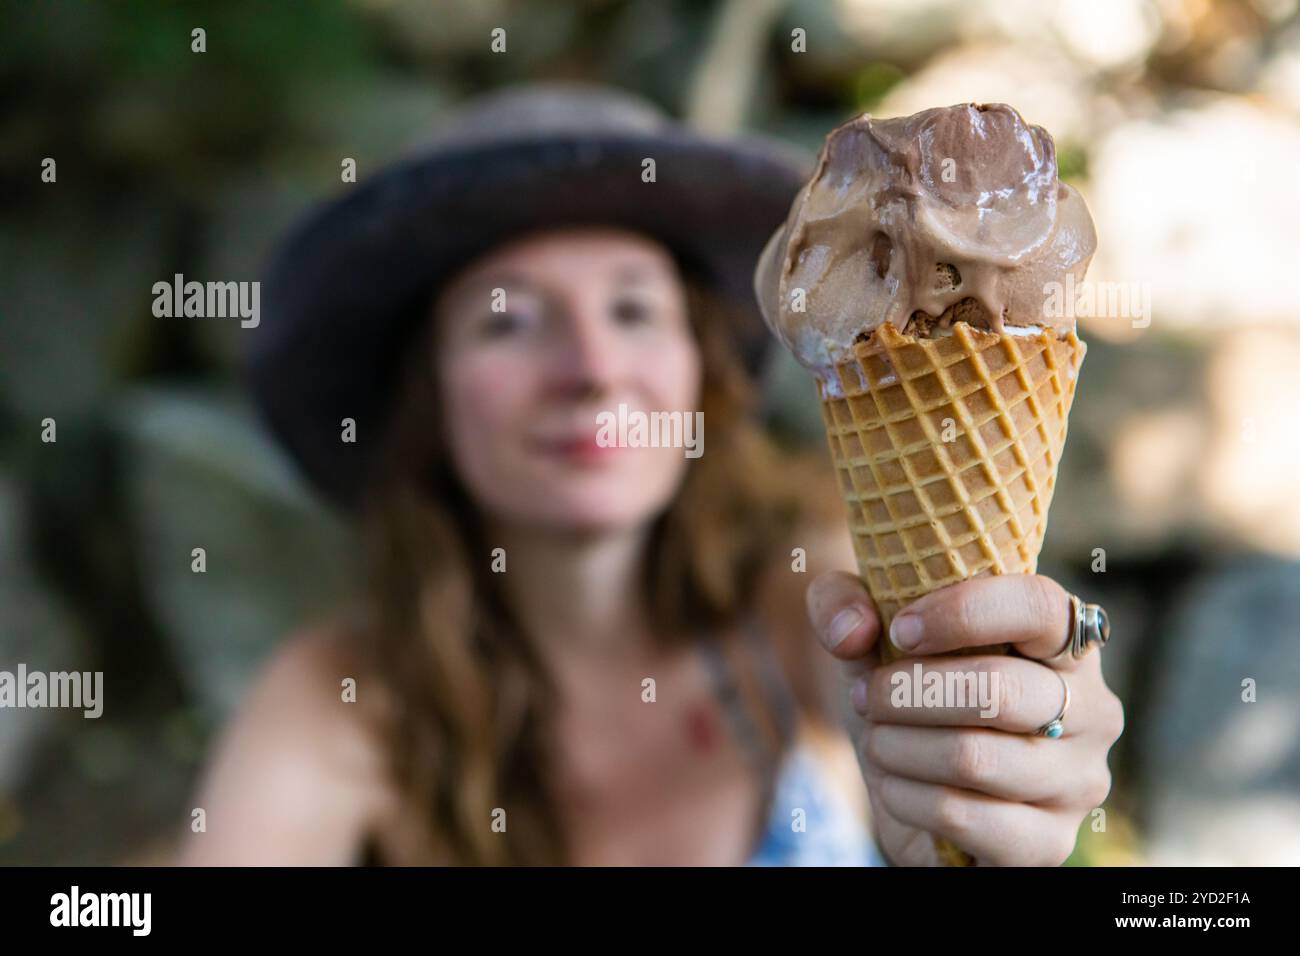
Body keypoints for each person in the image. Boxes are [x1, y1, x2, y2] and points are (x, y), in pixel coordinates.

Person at [177, 83, 1123, 867]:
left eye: (633, 310)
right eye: (508, 320)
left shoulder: (796, 593)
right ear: (429, 406)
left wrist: (982, 751)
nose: (590, 367)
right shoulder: (346, 701)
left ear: (697, 369)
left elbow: (885, 669)